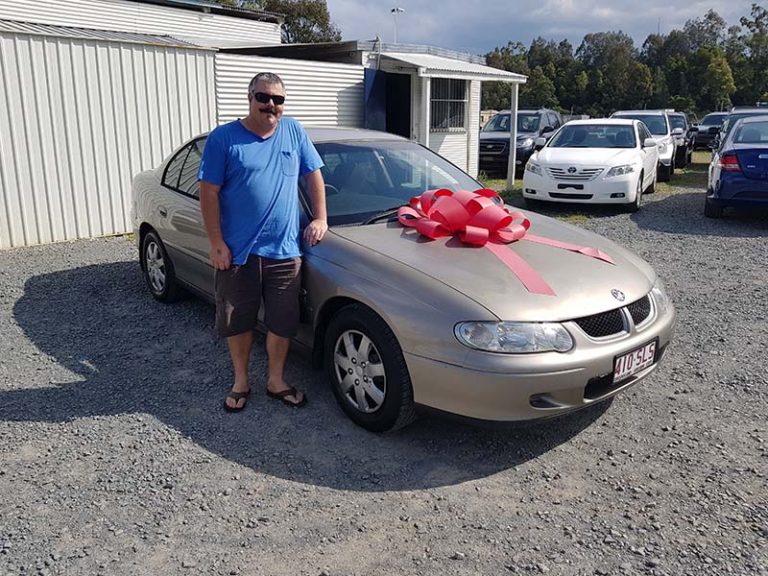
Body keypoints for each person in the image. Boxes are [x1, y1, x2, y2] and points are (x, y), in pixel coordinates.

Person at [198, 72, 328, 413]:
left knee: (283, 321)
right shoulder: (224, 138)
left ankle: (276, 381)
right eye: (263, 97)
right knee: (238, 320)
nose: (271, 104)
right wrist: (216, 242)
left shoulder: (293, 130)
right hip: (238, 252)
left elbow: (313, 175)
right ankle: (241, 381)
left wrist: (320, 218)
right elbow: (208, 192)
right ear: (250, 98)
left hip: (285, 251)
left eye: (278, 99)